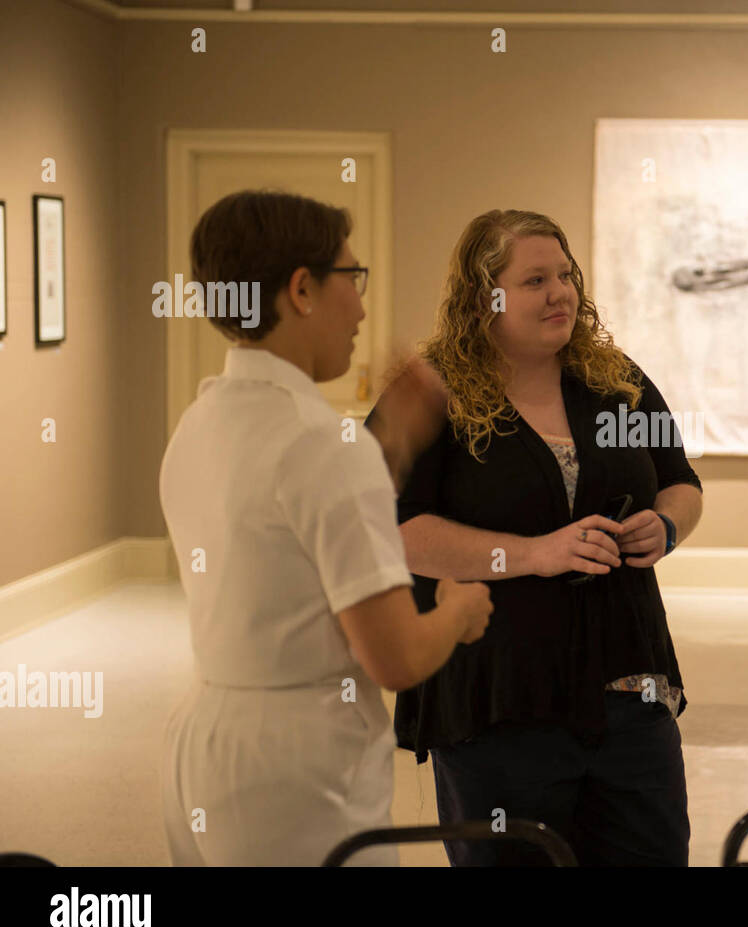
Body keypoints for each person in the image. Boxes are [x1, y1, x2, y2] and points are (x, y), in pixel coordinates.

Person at [159, 190, 493, 866]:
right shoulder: (327, 446)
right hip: (298, 771)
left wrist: (390, 445)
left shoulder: (203, 419)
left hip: (203, 743)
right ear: (303, 288)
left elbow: (289, 533)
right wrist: (457, 610)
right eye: (353, 277)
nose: (363, 307)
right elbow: (395, 657)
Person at [369, 209, 704, 866]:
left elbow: (682, 483)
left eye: (566, 274)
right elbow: (395, 530)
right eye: (534, 280)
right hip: (498, 696)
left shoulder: (616, 381)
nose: (560, 293)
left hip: (628, 688)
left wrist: (665, 525)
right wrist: (532, 553)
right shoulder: (434, 390)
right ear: (483, 296)